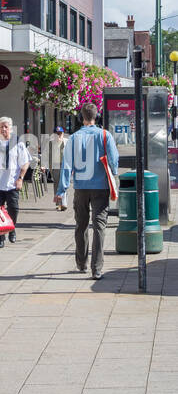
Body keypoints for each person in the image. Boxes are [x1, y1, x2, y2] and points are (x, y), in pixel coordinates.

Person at [55, 102, 118, 280]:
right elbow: (113, 161)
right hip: (100, 187)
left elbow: (66, 166)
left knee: (80, 225)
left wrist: (62, 190)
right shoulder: (105, 135)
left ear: (82, 117)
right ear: (96, 116)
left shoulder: (74, 138)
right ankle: (96, 268)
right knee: (99, 227)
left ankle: (81, 263)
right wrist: (113, 176)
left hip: (81, 187)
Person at [0, 115, 30, 246]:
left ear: (11, 129)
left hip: (12, 183)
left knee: (13, 208)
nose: (3, 129)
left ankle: (12, 229)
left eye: (6, 127)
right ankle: (0, 238)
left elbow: (25, 163)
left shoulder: (18, 143)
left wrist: (20, 178)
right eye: (1, 127)